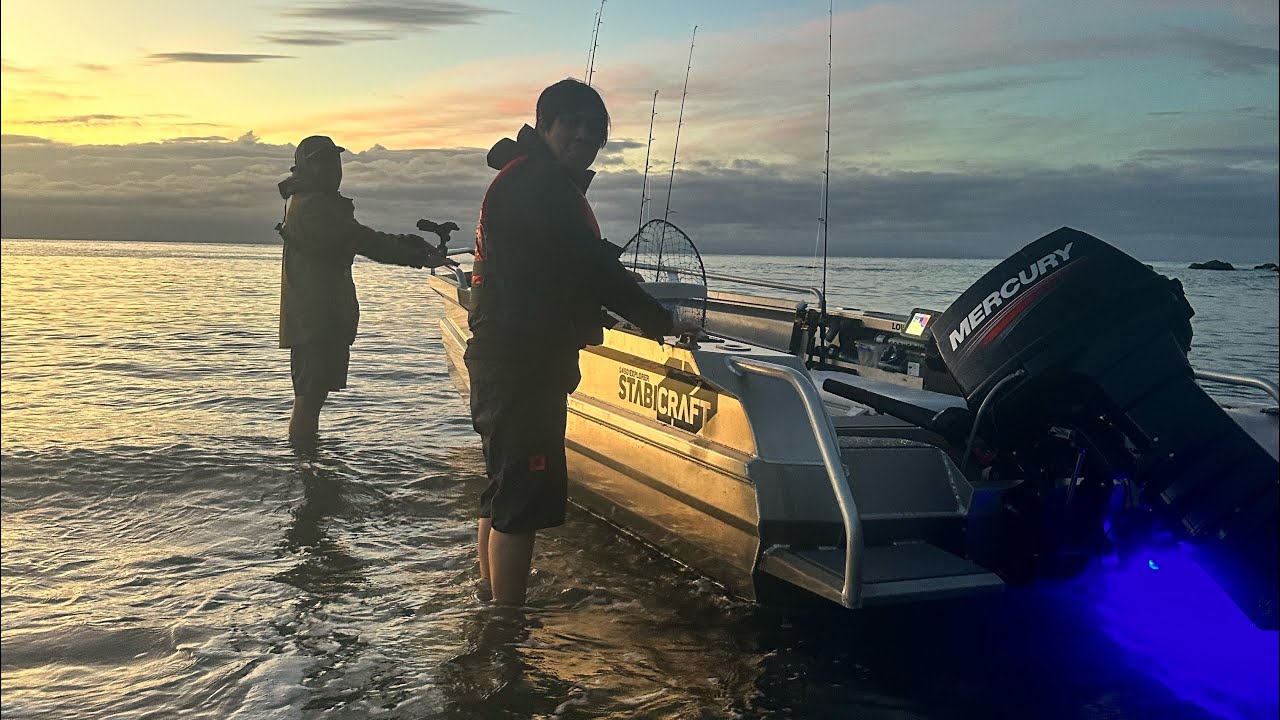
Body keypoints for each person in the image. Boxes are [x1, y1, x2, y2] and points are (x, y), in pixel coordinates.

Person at [465, 78, 679, 605]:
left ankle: (490, 599)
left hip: (504, 357)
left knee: (503, 484)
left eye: (594, 128)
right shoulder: (541, 185)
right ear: (544, 126)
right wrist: (662, 322)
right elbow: (590, 270)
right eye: (571, 123)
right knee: (521, 492)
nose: (583, 135)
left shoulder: (529, 181)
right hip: (521, 363)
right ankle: (508, 631)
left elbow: (564, 261)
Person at [277, 135, 445, 444]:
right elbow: (363, 240)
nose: (331, 167)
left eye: (334, 160)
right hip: (313, 322)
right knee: (309, 400)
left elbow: (358, 238)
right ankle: (305, 466)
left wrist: (414, 248)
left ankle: (311, 469)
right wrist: (416, 252)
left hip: (320, 320)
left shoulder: (313, 203)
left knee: (313, 398)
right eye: (321, 161)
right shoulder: (312, 207)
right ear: (304, 167)